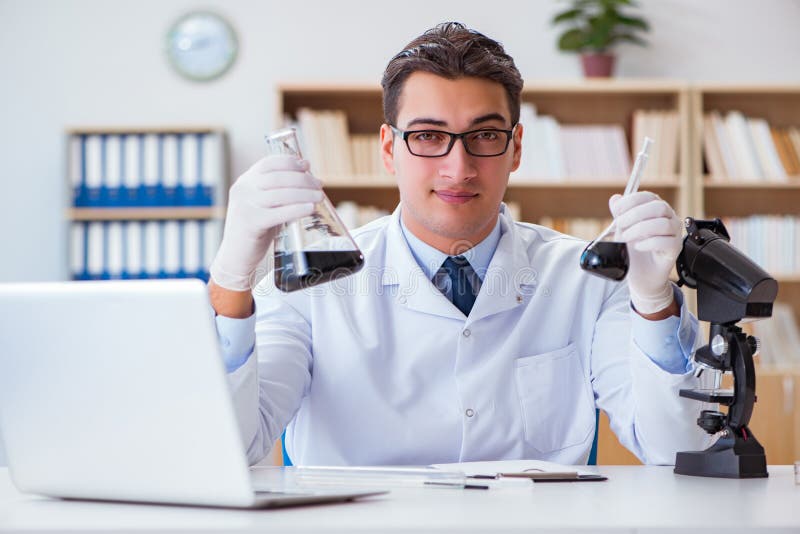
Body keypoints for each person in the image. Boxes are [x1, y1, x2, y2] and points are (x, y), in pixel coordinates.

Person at [208, 22, 708, 467]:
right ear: (389, 148)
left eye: (484, 135)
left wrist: (653, 303)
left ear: (515, 148)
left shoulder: (587, 280)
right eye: (428, 136)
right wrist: (231, 280)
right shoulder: (311, 287)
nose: (458, 167)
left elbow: (676, 450)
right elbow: (231, 448)